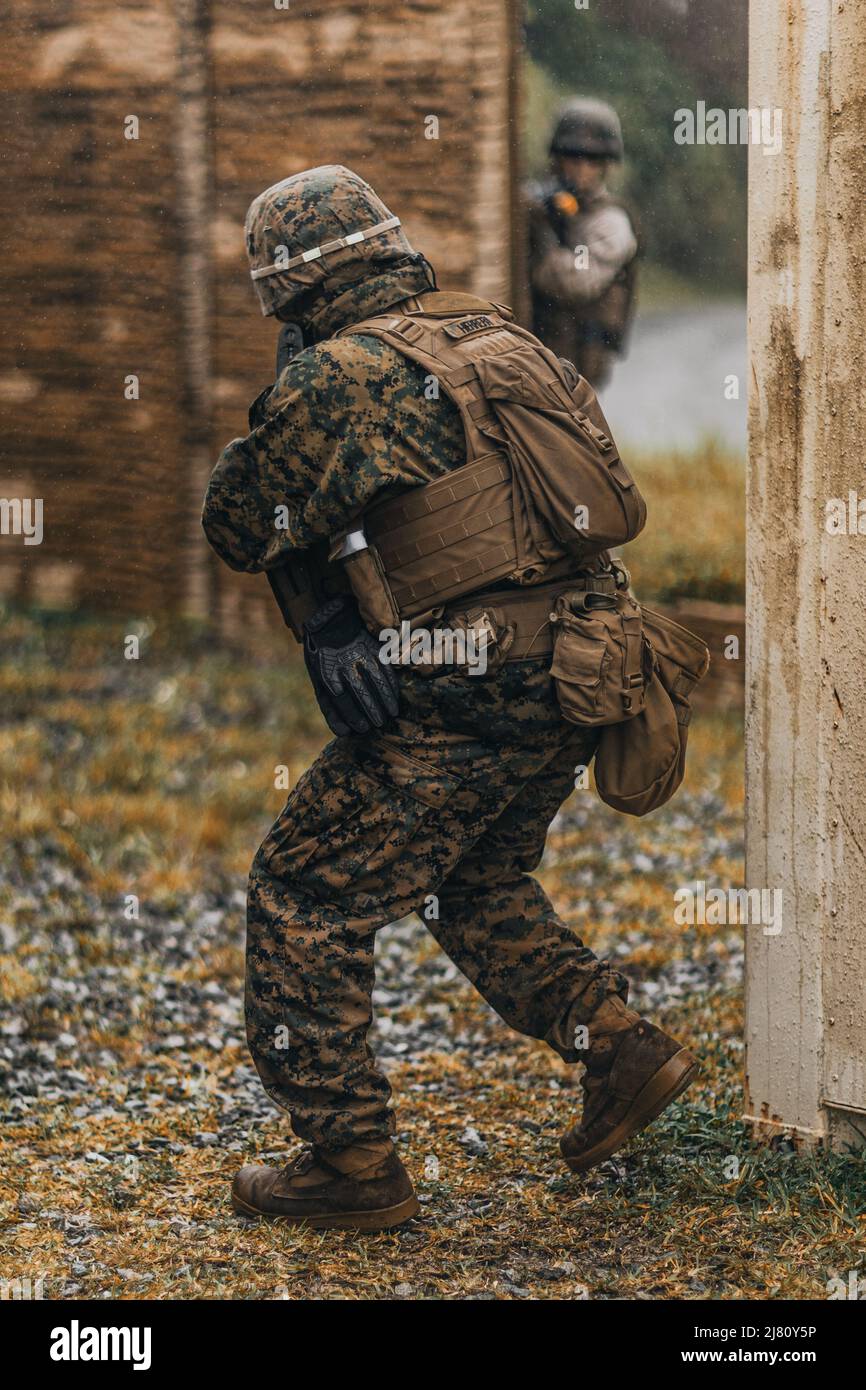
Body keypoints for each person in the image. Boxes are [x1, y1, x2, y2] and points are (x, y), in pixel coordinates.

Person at [201, 164, 696, 1231]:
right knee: (469, 880)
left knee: (304, 894)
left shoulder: (339, 373)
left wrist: (284, 390)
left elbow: (237, 521)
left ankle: (349, 1163)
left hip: (473, 683)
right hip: (586, 666)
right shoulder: (496, 335)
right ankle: (616, 1043)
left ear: (294, 289)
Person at [527, 97, 638, 390]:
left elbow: (574, 282)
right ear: (558, 159)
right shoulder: (545, 200)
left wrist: (541, 238)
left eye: (592, 160)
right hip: (536, 356)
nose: (581, 168)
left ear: (605, 166)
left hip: (578, 366)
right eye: (573, 157)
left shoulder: (610, 222)